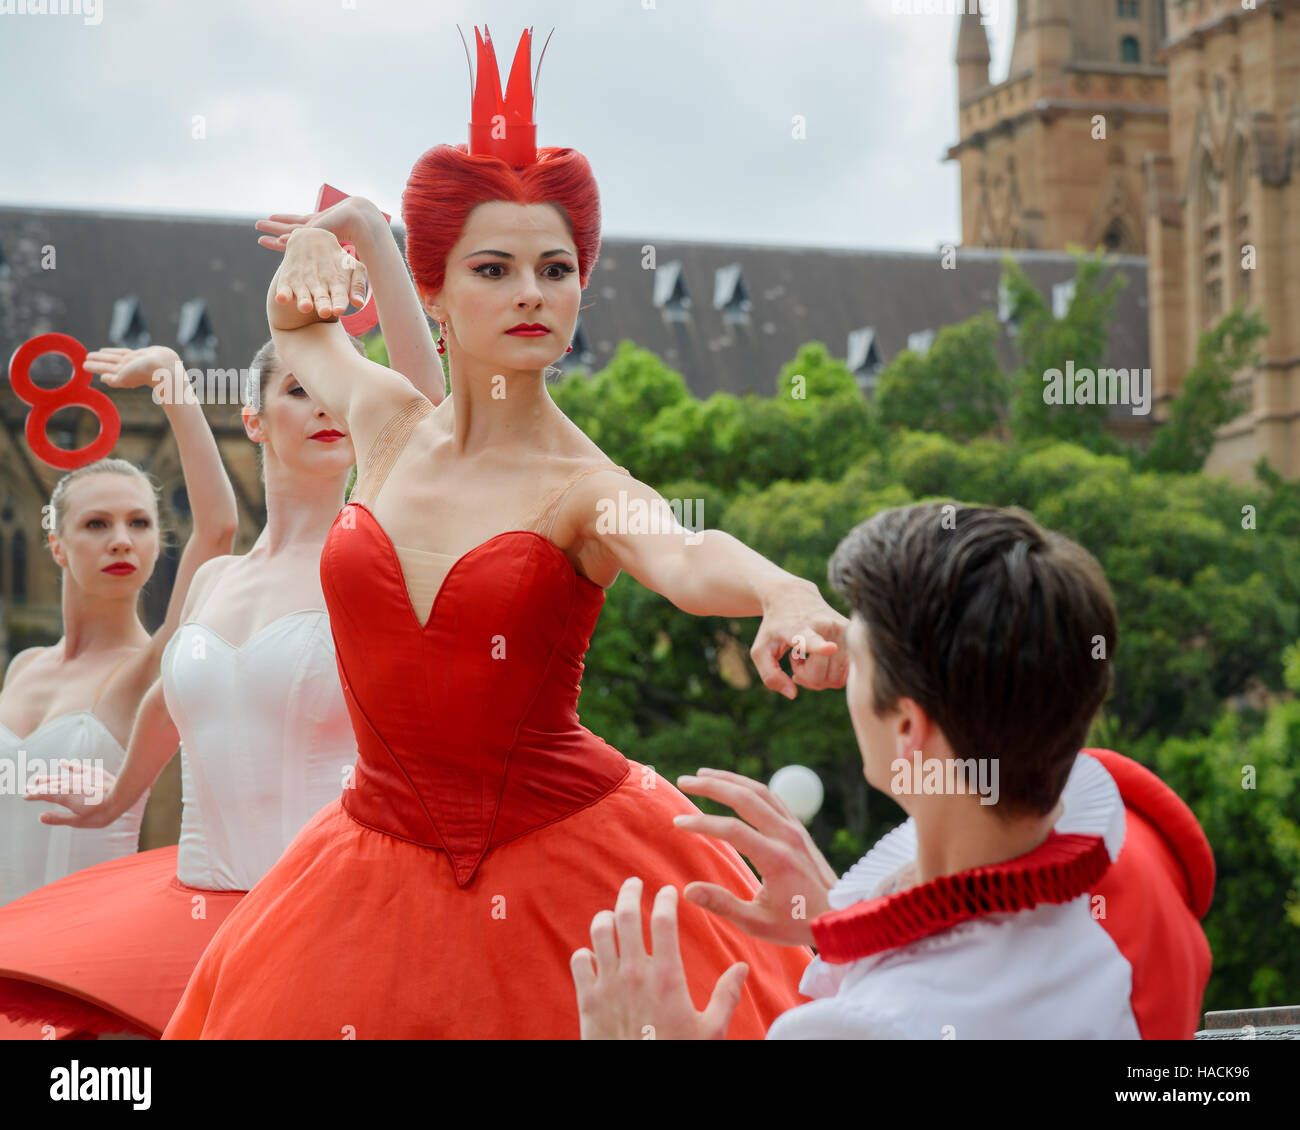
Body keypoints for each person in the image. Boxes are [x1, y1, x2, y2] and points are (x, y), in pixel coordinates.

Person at [164, 26, 836, 1040]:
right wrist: (321, 244)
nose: (531, 290)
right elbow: (298, 329)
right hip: (362, 867)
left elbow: (690, 559)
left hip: (566, 869)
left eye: (555, 268)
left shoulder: (584, 486)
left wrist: (787, 592)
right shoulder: (385, 423)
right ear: (429, 291)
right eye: (494, 267)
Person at [570, 504, 1216, 1039]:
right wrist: (839, 915)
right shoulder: (1140, 844)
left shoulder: (863, 1029)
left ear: (909, 728)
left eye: (857, 657)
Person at [0, 324, 444, 1038]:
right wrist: (115, 798)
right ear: (253, 421)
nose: (329, 407)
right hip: (199, 915)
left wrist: (367, 229)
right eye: (302, 390)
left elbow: (428, 411)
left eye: (343, 393)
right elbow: (166, 707)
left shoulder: (374, 556)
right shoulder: (212, 580)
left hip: (326, 915)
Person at [0, 344, 236, 910]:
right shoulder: (24, 666)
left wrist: (172, 382)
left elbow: (219, 528)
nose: (122, 539)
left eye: (139, 523)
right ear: (56, 544)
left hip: (73, 952)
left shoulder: (155, 666)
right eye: (97, 523)